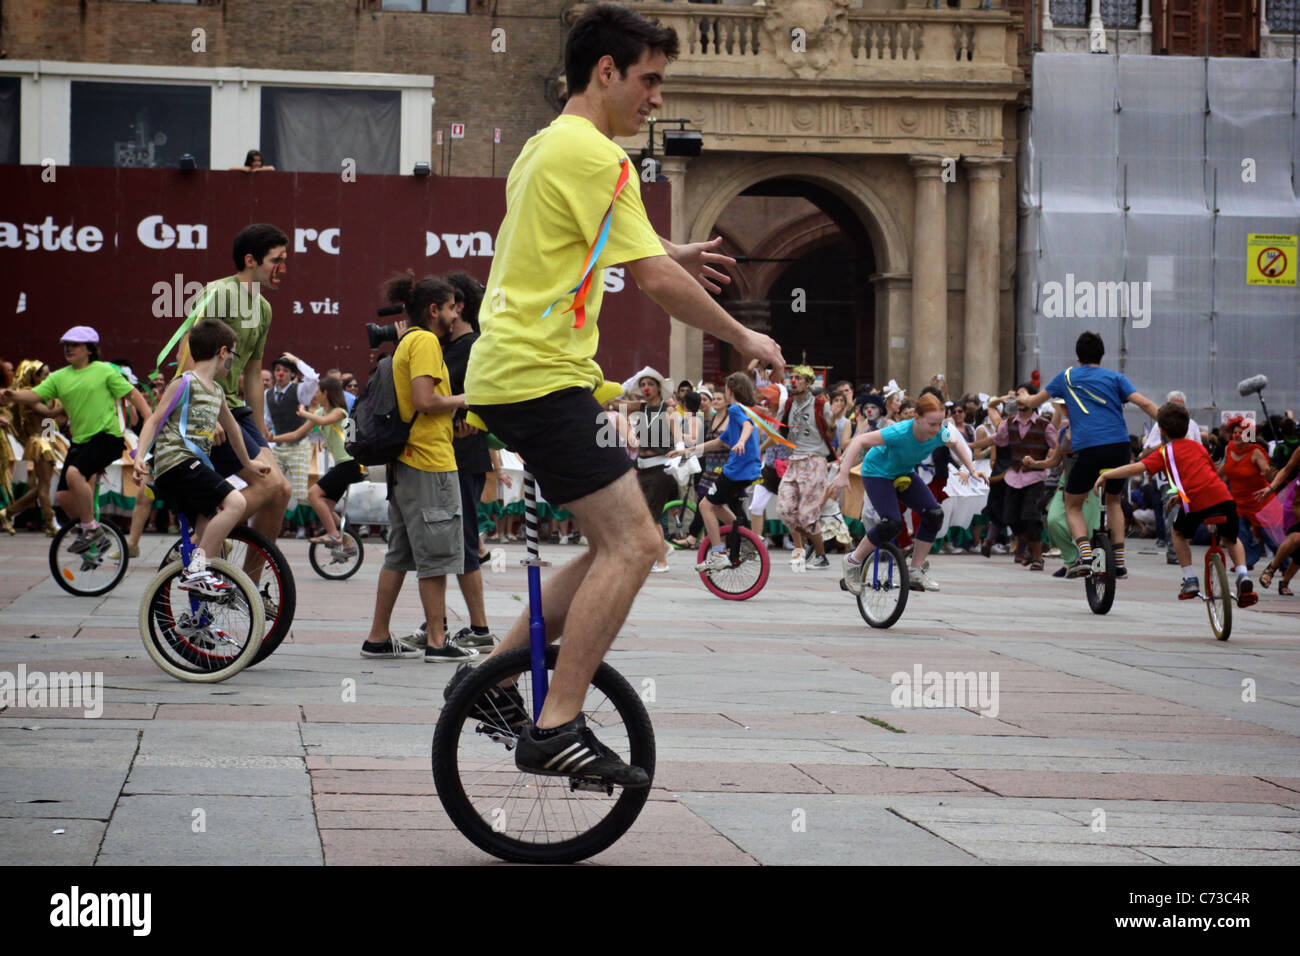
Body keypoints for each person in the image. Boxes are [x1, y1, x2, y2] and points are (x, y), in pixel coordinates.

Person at [461, 2, 783, 786]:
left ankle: (497, 688)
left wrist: (665, 244)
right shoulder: (593, 157)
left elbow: (603, 242)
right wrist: (743, 338)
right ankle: (555, 725)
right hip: (539, 378)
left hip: (525, 376)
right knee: (639, 544)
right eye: (649, 79)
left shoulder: (552, 146)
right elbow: (654, 282)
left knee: (621, 539)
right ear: (606, 72)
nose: (658, 98)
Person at [169, 224, 294, 591]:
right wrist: (202, 410)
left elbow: (254, 372)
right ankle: (205, 544)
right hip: (208, 405)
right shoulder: (220, 293)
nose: (283, 268)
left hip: (236, 409)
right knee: (269, 484)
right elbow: (186, 353)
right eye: (277, 260)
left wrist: (261, 427)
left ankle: (247, 586)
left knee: (282, 491)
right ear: (251, 261)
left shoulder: (265, 308)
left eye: (286, 260)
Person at [360, 273, 476, 664]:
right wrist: (464, 398)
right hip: (429, 462)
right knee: (438, 555)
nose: (452, 314)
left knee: (400, 554)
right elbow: (425, 400)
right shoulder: (425, 341)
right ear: (433, 310)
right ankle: (438, 641)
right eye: (448, 307)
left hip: (406, 463)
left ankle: (377, 637)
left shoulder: (406, 340)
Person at [132, 319, 270, 596]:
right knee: (236, 502)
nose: (232, 361)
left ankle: (199, 614)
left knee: (208, 527)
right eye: (232, 354)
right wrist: (140, 456)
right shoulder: (185, 383)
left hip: (190, 467)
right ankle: (198, 570)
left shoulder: (216, 391)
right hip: (177, 463)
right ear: (222, 353)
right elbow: (155, 420)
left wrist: (248, 463)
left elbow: (233, 430)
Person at [1011, 331, 1159, 579]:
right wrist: (1170, 424)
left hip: (1089, 449)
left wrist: (1023, 396)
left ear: (1078, 356)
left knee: (1073, 505)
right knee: (1113, 501)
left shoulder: (1067, 376)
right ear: (1102, 354)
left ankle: (1086, 555)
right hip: (1119, 447)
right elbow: (1143, 403)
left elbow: (1034, 401)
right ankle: (1119, 560)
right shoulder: (1115, 378)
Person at [404, 270, 499, 650]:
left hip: (463, 457)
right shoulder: (439, 346)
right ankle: (436, 626)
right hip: (438, 456)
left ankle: (479, 629)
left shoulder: (476, 347)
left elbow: (491, 392)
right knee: (445, 543)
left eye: (447, 303)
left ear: (457, 308)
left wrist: (475, 418)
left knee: (463, 541)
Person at [1, 328, 151, 551]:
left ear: (89, 350)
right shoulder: (60, 377)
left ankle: (91, 529)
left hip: (107, 439)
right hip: (80, 442)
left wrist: (149, 417)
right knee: (62, 496)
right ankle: (92, 536)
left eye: (75, 344)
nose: (68, 348)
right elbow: (34, 396)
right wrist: (10, 394)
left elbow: (133, 394)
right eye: (66, 345)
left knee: (73, 474)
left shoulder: (104, 371)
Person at [1096, 402, 1255, 606]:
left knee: (1178, 533)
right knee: (1232, 539)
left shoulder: (1165, 452)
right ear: (1187, 427)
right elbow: (1206, 477)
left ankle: (1189, 579)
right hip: (1223, 497)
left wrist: (1107, 474)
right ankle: (1243, 575)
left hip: (1196, 502)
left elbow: (1137, 467)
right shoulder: (1199, 447)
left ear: (1161, 431)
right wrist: (1181, 496)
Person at [828, 392, 981, 593]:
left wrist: (971, 469)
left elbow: (957, 444)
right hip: (877, 473)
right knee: (892, 524)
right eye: (932, 424)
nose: (936, 430)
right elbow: (859, 441)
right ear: (916, 418)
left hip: (902, 472)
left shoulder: (940, 433)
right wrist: (843, 473)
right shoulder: (899, 432)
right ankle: (853, 561)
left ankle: (915, 570)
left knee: (934, 514)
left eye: (940, 423)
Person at [671, 372, 761, 571]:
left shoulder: (736, 409)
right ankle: (748, 537)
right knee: (717, 505)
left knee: (705, 506)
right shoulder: (745, 410)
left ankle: (719, 552)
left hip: (736, 471)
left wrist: (741, 441)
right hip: (748, 471)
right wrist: (687, 451)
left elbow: (748, 426)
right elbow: (719, 442)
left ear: (730, 391)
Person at [994, 383, 1058, 571]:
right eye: (1018, 398)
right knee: (1011, 517)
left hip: (1035, 477)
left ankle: (1037, 556)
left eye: (1025, 397)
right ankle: (1028, 546)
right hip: (1014, 476)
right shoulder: (1010, 423)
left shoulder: (1044, 425)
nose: (1020, 402)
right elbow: (999, 440)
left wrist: (1048, 461)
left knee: (1031, 516)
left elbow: (1057, 446)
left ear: (1034, 400)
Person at [777, 365, 836, 568]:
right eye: (791, 377)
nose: (793, 381)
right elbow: (781, 431)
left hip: (815, 460)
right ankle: (808, 543)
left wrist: (834, 422)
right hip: (794, 460)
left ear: (809, 382)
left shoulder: (820, 405)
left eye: (799, 378)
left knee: (807, 514)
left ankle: (821, 556)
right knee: (785, 509)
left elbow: (830, 436)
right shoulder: (788, 404)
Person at [296, 378, 364, 548]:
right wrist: (272, 438)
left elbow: (324, 422)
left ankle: (334, 535)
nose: (315, 394)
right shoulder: (319, 412)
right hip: (343, 465)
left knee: (313, 494)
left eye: (318, 391)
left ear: (325, 393)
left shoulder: (340, 412)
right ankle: (349, 544)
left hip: (349, 464)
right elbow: (298, 434)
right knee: (326, 505)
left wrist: (304, 413)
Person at [0, 360, 66, 536]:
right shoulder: (29, 395)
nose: (48, 377)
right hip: (38, 444)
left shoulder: (49, 394)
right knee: (44, 486)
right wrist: (67, 401)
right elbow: (48, 414)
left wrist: (53, 442)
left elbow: (49, 423)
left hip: (47, 441)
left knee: (43, 485)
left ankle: (8, 512)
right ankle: (51, 523)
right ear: (34, 377)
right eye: (44, 375)